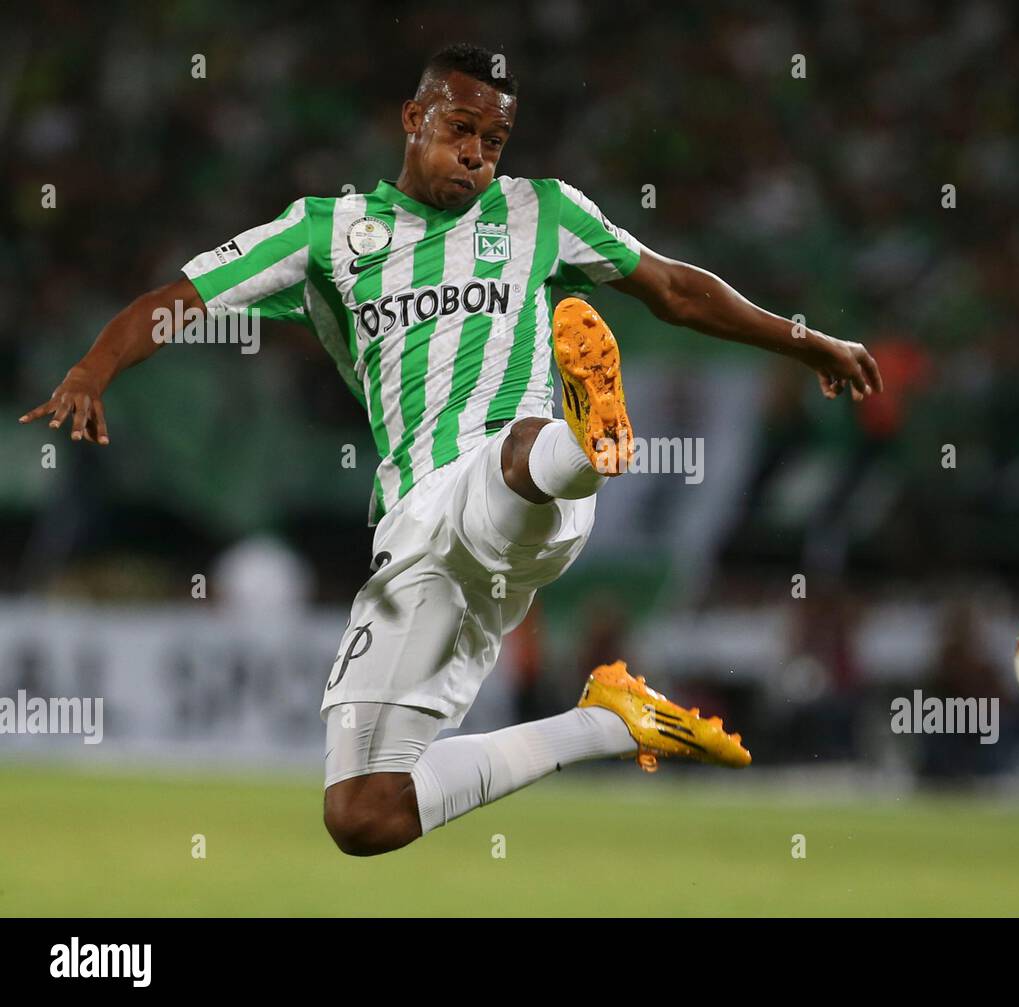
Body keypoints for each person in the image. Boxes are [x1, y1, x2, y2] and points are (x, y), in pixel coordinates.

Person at [21, 43, 882, 856]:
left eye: (494, 141)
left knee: (512, 457)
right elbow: (180, 298)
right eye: (460, 131)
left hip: (524, 480)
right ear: (413, 119)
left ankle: (586, 437)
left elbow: (677, 291)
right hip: (417, 532)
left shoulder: (540, 210)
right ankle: (611, 720)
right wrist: (94, 369)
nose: (477, 155)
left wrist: (805, 340)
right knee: (362, 814)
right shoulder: (329, 233)